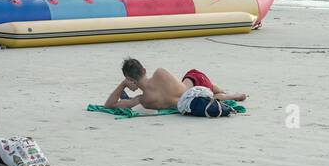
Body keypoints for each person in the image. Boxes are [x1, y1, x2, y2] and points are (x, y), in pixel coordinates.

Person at [103, 58, 247, 111]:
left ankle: (226, 95)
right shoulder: (160, 73)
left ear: (130, 79)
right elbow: (178, 86)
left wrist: (123, 85)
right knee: (192, 76)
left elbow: (109, 105)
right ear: (144, 70)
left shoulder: (144, 100)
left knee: (211, 95)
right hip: (197, 86)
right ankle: (229, 94)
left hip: (188, 104)